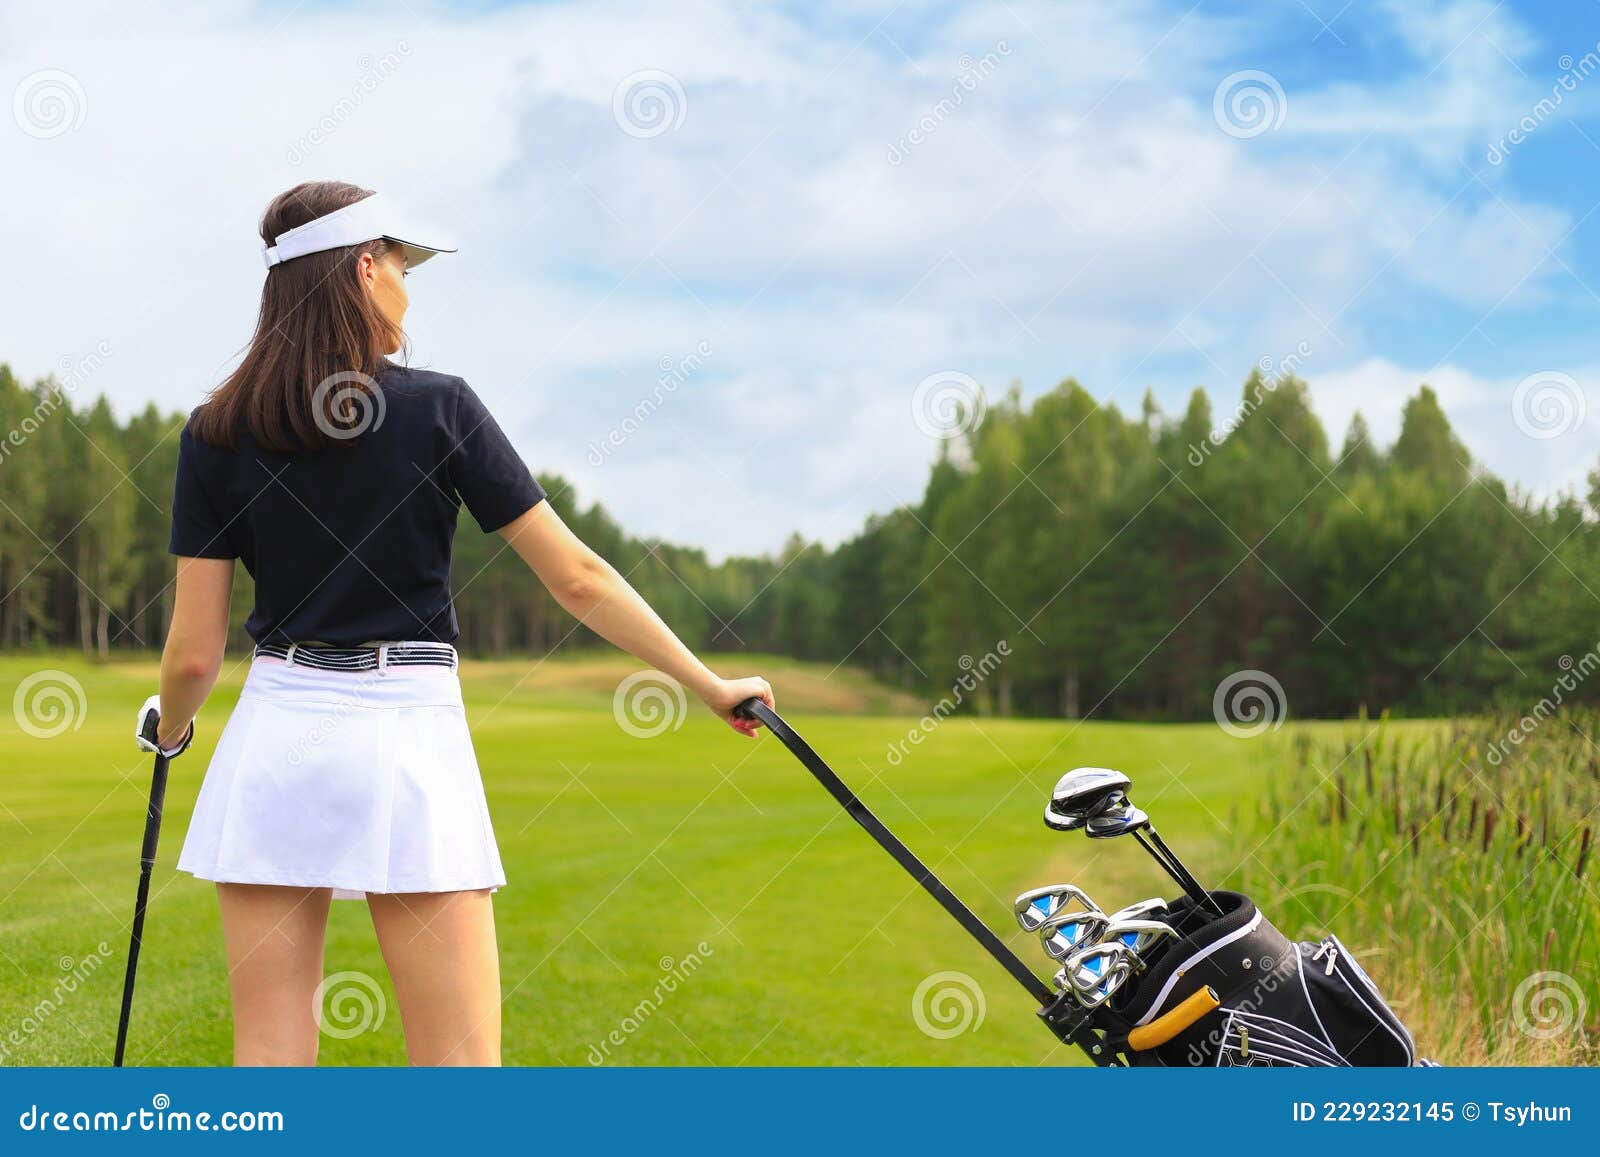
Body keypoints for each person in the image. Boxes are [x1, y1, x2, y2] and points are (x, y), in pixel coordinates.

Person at [137, 180, 773, 1067]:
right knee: (459, 1074)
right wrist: (710, 685)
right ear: (364, 268)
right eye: (402, 262)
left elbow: (195, 651)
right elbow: (580, 579)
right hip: (406, 733)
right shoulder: (440, 407)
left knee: (271, 1065)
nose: (407, 284)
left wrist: (169, 729)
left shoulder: (216, 431)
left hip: (276, 729)